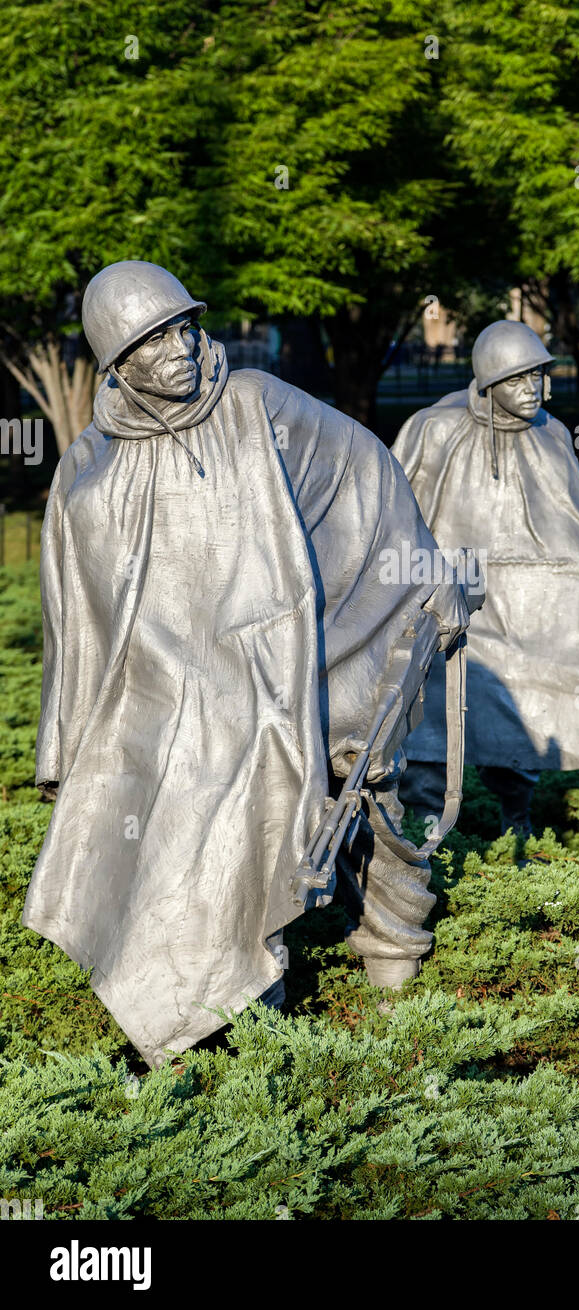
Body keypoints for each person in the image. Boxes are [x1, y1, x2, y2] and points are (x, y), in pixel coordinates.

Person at [23, 261, 469, 1067]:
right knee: (164, 821)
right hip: (165, 695)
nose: (181, 349)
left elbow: (362, 477)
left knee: (347, 774)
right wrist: (66, 742)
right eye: (153, 340)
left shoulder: (259, 404)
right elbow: (76, 621)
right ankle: (213, 1001)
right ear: (118, 364)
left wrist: (424, 577)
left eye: (184, 327)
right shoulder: (88, 472)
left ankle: (381, 938)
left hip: (281, 669)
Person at [392, 319, 579, 835]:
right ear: (490, 383)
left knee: (565, 684)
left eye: (538, 376)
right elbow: (393, 518)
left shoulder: (553, 436)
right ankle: (420, 835)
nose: (532, 389)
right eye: (518, 379)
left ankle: (518, 818)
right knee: (436, 709)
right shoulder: (435, 430)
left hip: (536, 615)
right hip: (455, 609)